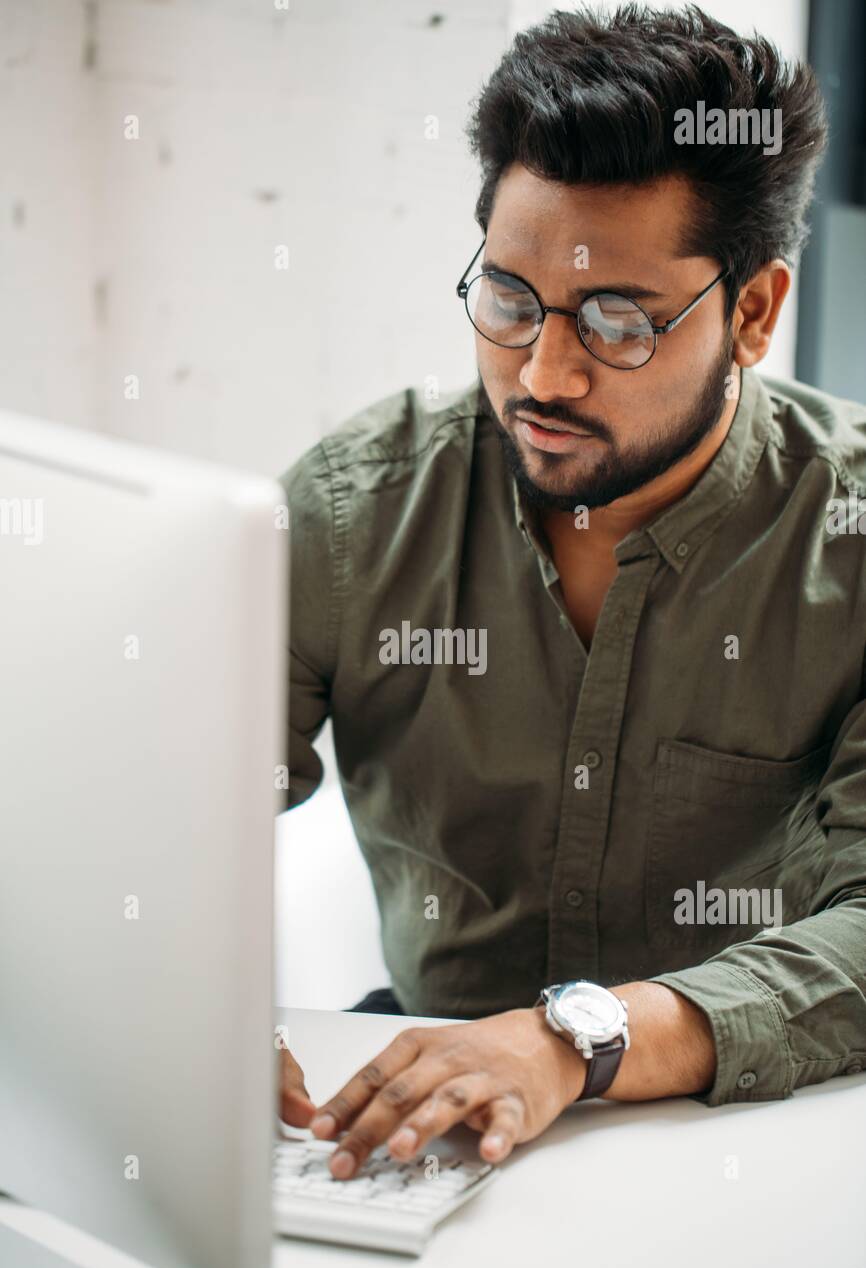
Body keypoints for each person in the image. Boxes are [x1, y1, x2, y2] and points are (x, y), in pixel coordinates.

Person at [278, 4, 866, 1183]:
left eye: (619, 322)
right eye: (507, 300)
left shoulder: (845, 541)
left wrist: (570, 1042)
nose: (542, 375)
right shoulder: (355, 514)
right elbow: (153, 822)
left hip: (757, 1140)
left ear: (750, 314)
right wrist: (183, 1011)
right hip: (424, 1134)